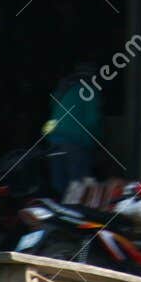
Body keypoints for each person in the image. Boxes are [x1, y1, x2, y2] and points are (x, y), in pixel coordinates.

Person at [46, 64, 99, 199]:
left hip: (54, 142)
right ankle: (72, 215)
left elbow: (54, 115)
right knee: (77, 185)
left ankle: (58, 211)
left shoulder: (64, 91)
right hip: (74, 143)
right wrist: (94, 144)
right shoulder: (89, 91)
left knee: (59, 185)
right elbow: (92, 121)